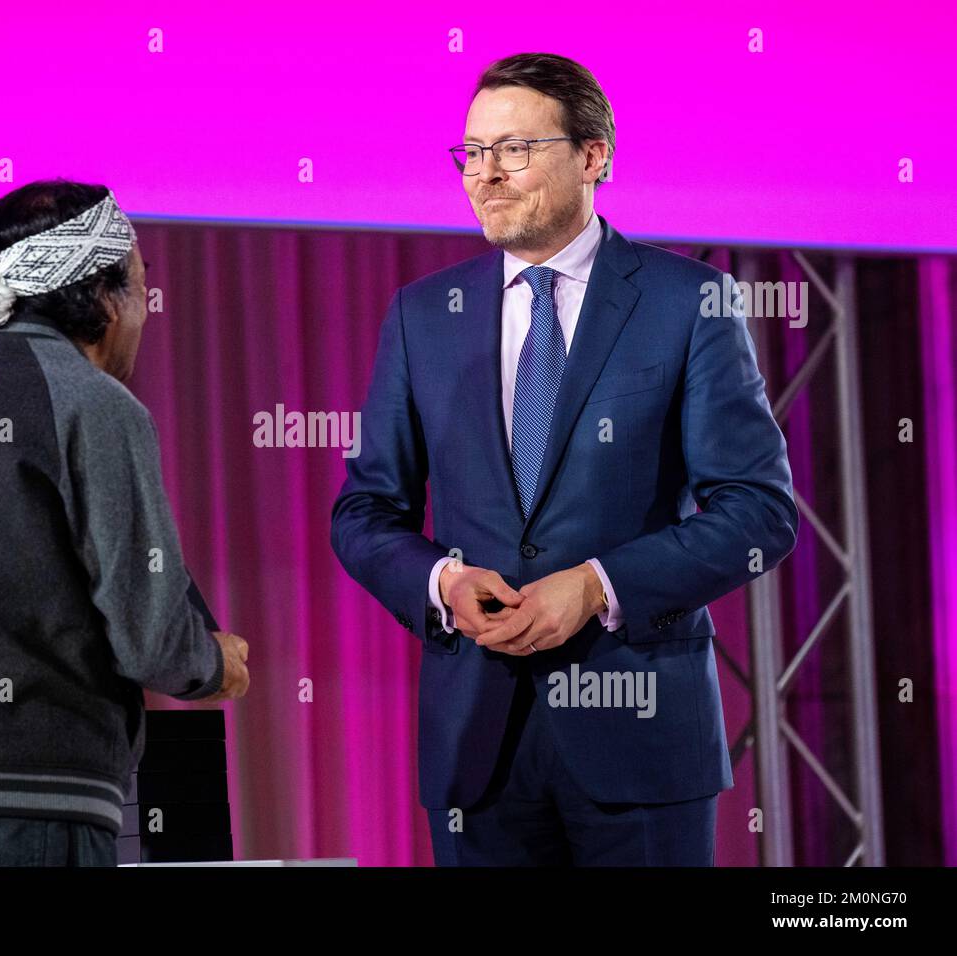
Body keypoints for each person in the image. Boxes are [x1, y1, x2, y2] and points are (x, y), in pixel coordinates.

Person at [331, 53, 798, 865]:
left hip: (642, 739)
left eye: (514, 149)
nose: (486, 174)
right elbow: (365, 511)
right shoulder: (422, 316)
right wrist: (442, 583)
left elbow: (758, 512)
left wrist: (596, 586)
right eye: (472, 152)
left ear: (593, 157)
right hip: (478, 746)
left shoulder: (689, 303)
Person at [0, 179, 249, 866]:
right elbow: (148, 634)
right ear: (101, 297)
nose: (145, 315)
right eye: (142, 289)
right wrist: (215, 663)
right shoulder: (92, 404)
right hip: (32, 807)